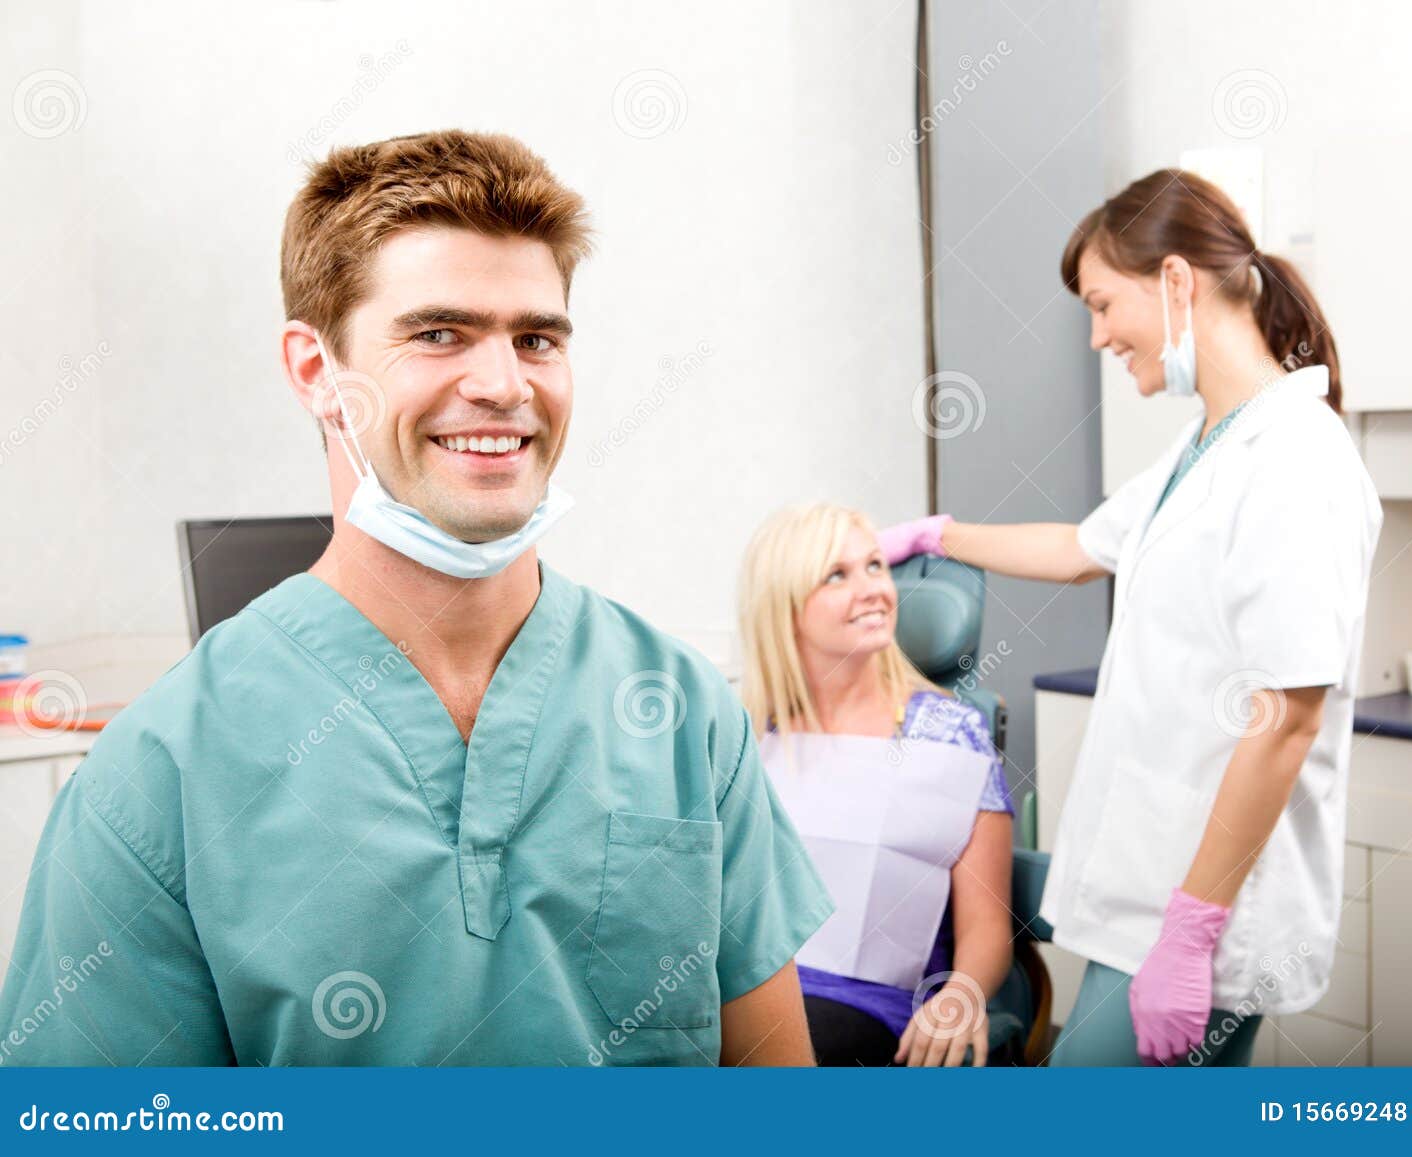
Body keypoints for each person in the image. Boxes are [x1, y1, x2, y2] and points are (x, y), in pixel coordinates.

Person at [0, 130, 833, 1067]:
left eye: (536, 338)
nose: (504, 385)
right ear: (315, 371)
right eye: (439, 334)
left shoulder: (680, 712)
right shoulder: (162, 773)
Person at [880, 170, 1382, 1066]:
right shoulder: (1208, 445)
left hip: (1203, 912)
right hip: (1156, 891)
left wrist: (1192, 927)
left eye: (1104, 304)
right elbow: (1081, 547)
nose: (1098, 335)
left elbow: (1287, 717)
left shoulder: (1296, 460)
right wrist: (938, 534)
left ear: (1177, 280)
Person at [739, 503, 1013, 1066]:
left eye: (874, 566)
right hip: (755, 986)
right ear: (786, 608)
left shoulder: (950, 733)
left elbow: (988, 927)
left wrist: (961, 994)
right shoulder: (754, 733)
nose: (873, 591)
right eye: (837, 575)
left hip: (867, 1003)